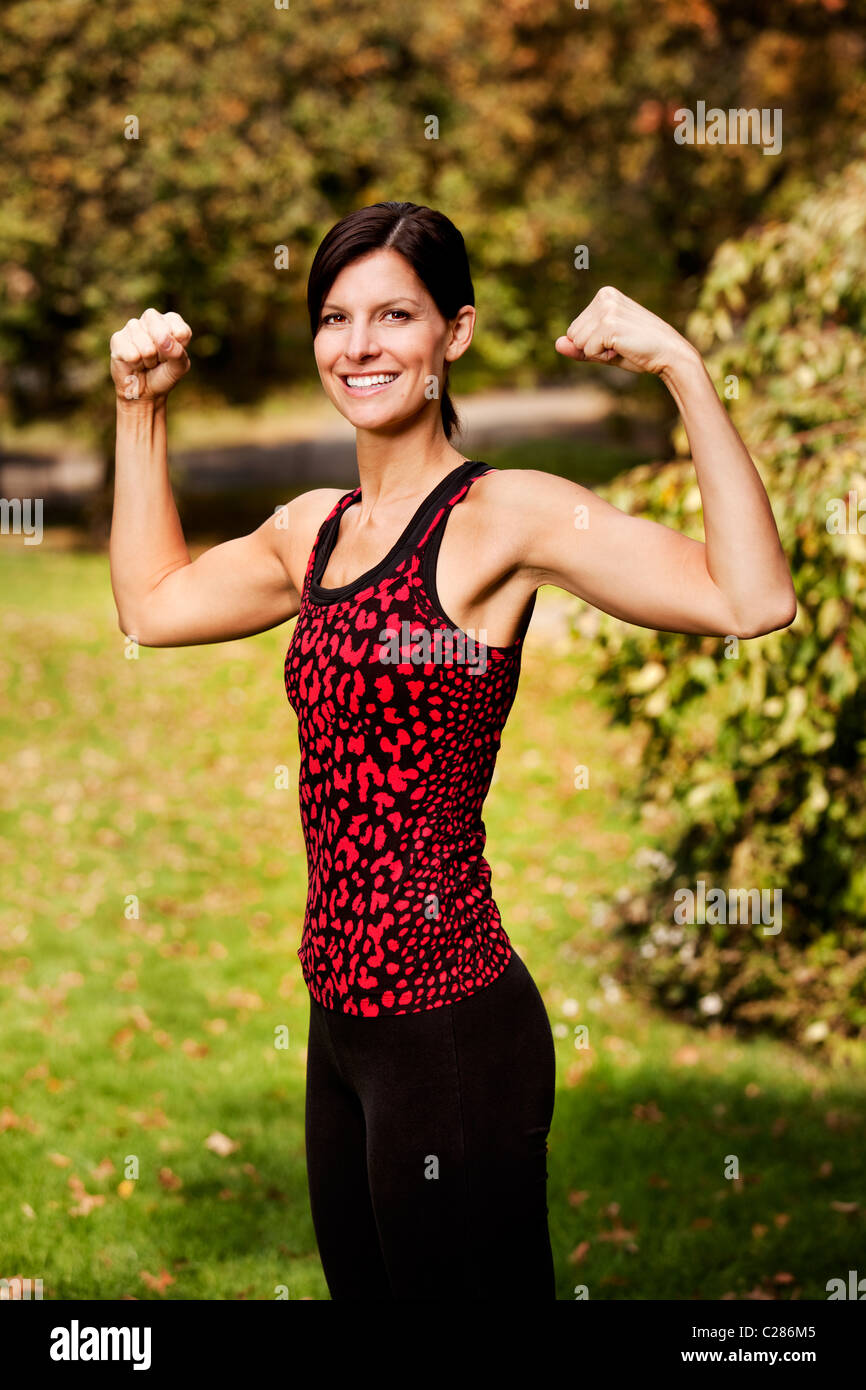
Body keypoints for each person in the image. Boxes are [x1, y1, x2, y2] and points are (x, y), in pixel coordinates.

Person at [108, 200, 796, 1301]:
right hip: (340, 1028)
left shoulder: (500, 516)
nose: (360, 345)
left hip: (449, 1031)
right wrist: (138, 411)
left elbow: (749, 598)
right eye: (335, 317)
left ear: (454, 336)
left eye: (395, 315)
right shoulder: (312, 529)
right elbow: (150, 605)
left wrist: (678, 365)